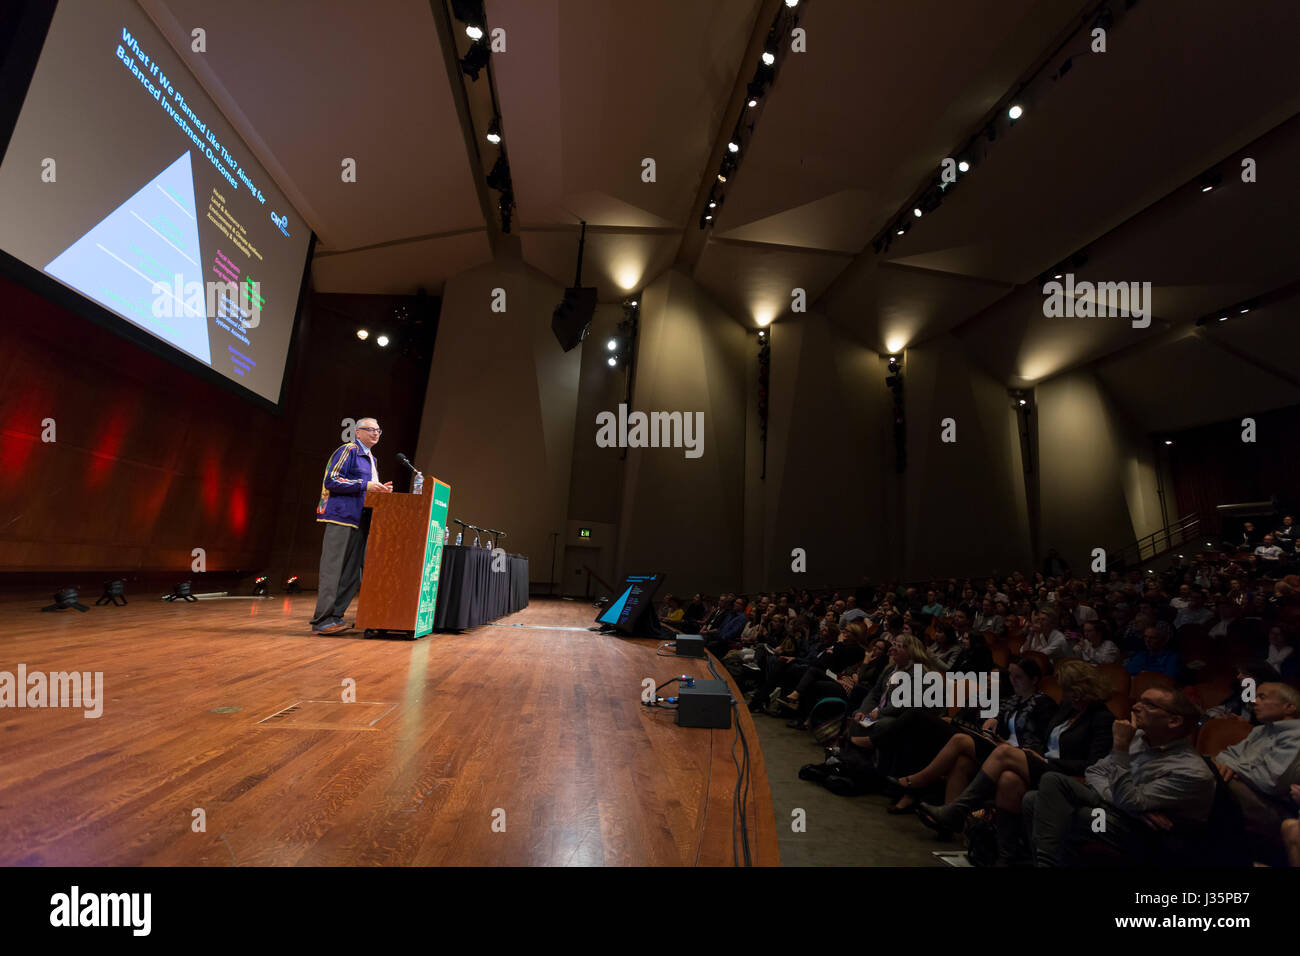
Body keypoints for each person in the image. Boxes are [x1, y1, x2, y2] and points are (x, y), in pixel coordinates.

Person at [917, 659, 1114, 856]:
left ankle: (954, 809)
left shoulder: (1102, 718)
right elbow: (1047, 742)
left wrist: (1045, 760)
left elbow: (1093, 765)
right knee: (1007, 779)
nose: (1063, 694)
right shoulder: (1067, 710)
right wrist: (1032, 753)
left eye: (1067, 690)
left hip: (1064, 776)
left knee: (1002, 752)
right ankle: (1006, 855)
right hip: (1042, 763)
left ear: (1079, 690)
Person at [1024, 687, 1216, 866]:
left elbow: (1129, 800)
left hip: (1148, 837)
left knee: (1071, 812)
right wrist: (1126, 804)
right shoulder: (1139, 738)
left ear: (1174, 721)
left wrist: (1121, 748)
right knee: (1033, 798)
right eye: (1139, 701)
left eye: (1148, 704)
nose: (1135, 707)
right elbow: (1095, 771)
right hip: (1122, 813)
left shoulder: (1192, 772)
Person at [311, 417, 391, 634]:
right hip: (342, 517)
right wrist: (365, 485)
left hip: (362, 519)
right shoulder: (349, 450)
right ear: (358, 432)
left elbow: (366, 489)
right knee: (333, 569)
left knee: (352, 573)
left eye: (378, 430)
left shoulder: (372, 459)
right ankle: (322, 619)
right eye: (371, 429)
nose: (376, 433)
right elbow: (332, 480)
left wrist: (380, 490)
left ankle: (336, 616)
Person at [1214, 682, 1300, 866]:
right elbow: (1225, 755)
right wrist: (1227, 766)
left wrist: (1234, 769)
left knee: (1216, 779)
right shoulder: (1260, 730)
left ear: (1289, 707)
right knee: (1209, 771)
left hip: (1278, 810)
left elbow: (1270, 782)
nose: (1253, 701)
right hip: (1250, 798)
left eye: (1262, 697)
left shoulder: (1296, 734)